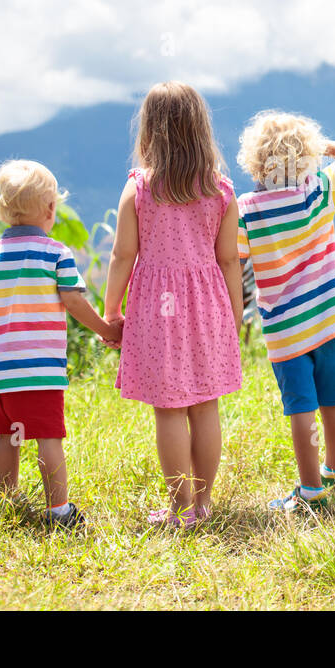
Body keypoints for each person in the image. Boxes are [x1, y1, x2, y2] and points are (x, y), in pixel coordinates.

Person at [105, 82, 243, 528]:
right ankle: (203, 506)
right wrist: (235, 315)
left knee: (168, 408)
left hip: (155, 311)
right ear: (201, 130)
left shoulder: (139, 189)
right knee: (205, 405)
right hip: (208, 306)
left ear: (149, 131)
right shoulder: (221, 190)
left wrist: (111, 311)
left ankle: (180, 508)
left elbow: (122, 255)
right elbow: (228, 259)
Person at [0, 159, 121, 530]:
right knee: (48, 437)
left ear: (3, 210)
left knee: (8, 436)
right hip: (39, 370)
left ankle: (8, 500)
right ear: (51, 208)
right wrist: (106, 330)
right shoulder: (56, 253)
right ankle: (58, 510)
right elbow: (75, 301)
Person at [235, 110, 335, 514]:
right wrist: (316, 147)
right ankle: (334, 469)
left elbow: (232, 260)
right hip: (328, 319)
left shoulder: (247, 209)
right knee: (334, 399)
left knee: (301, 407)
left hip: (287, 332)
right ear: (307, 157)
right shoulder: (320, 190)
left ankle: (310, 489)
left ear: (254, 161)